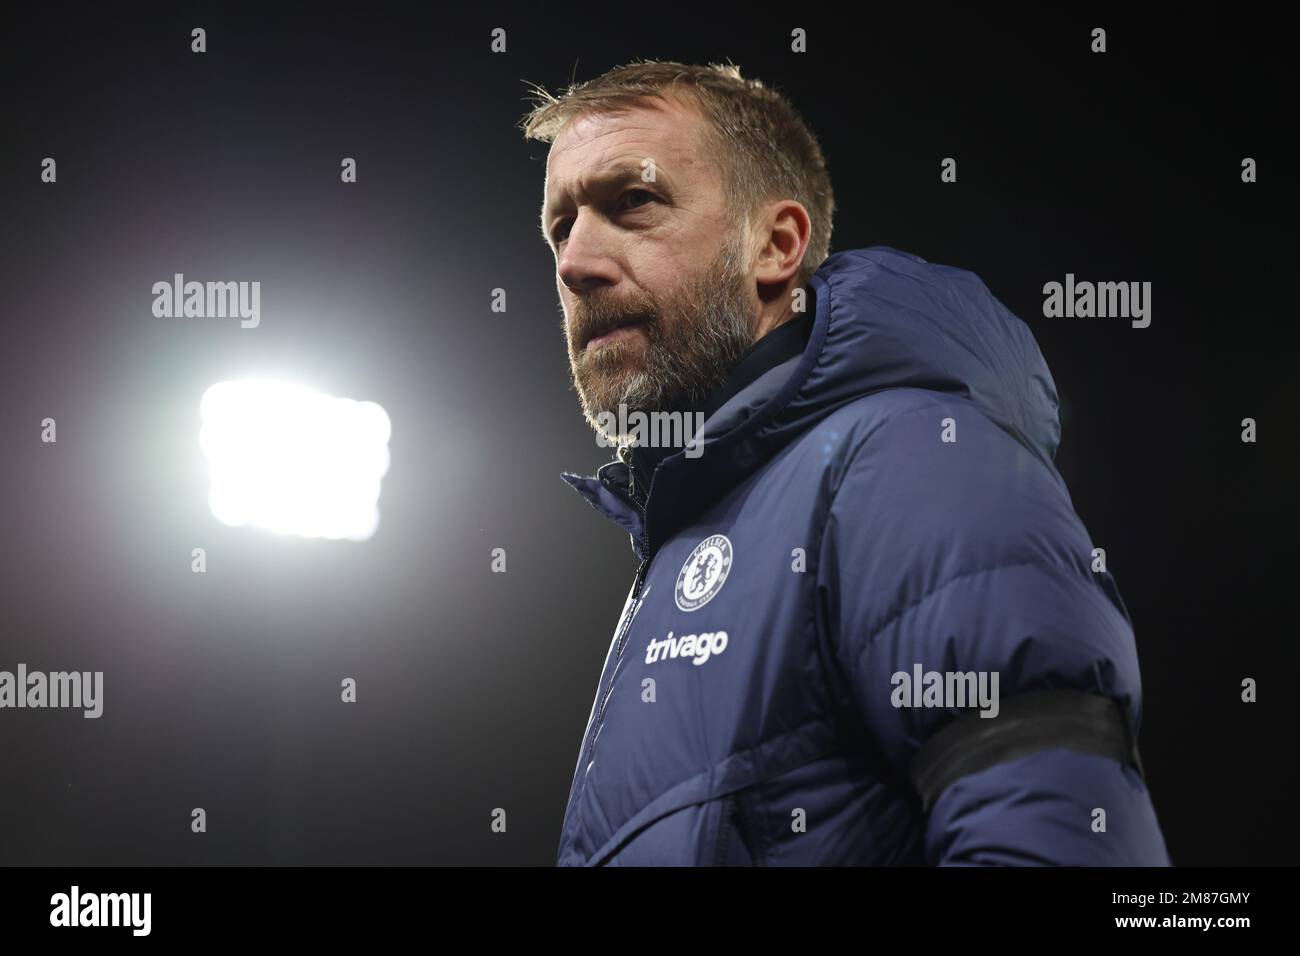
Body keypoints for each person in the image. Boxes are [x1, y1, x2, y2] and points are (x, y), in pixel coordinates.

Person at [522, 60, 1170, 866]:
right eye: (559, 227)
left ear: (776, 244)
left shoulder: (910, 455)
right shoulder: (688, 539)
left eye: (633, 203)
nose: (575, 264)